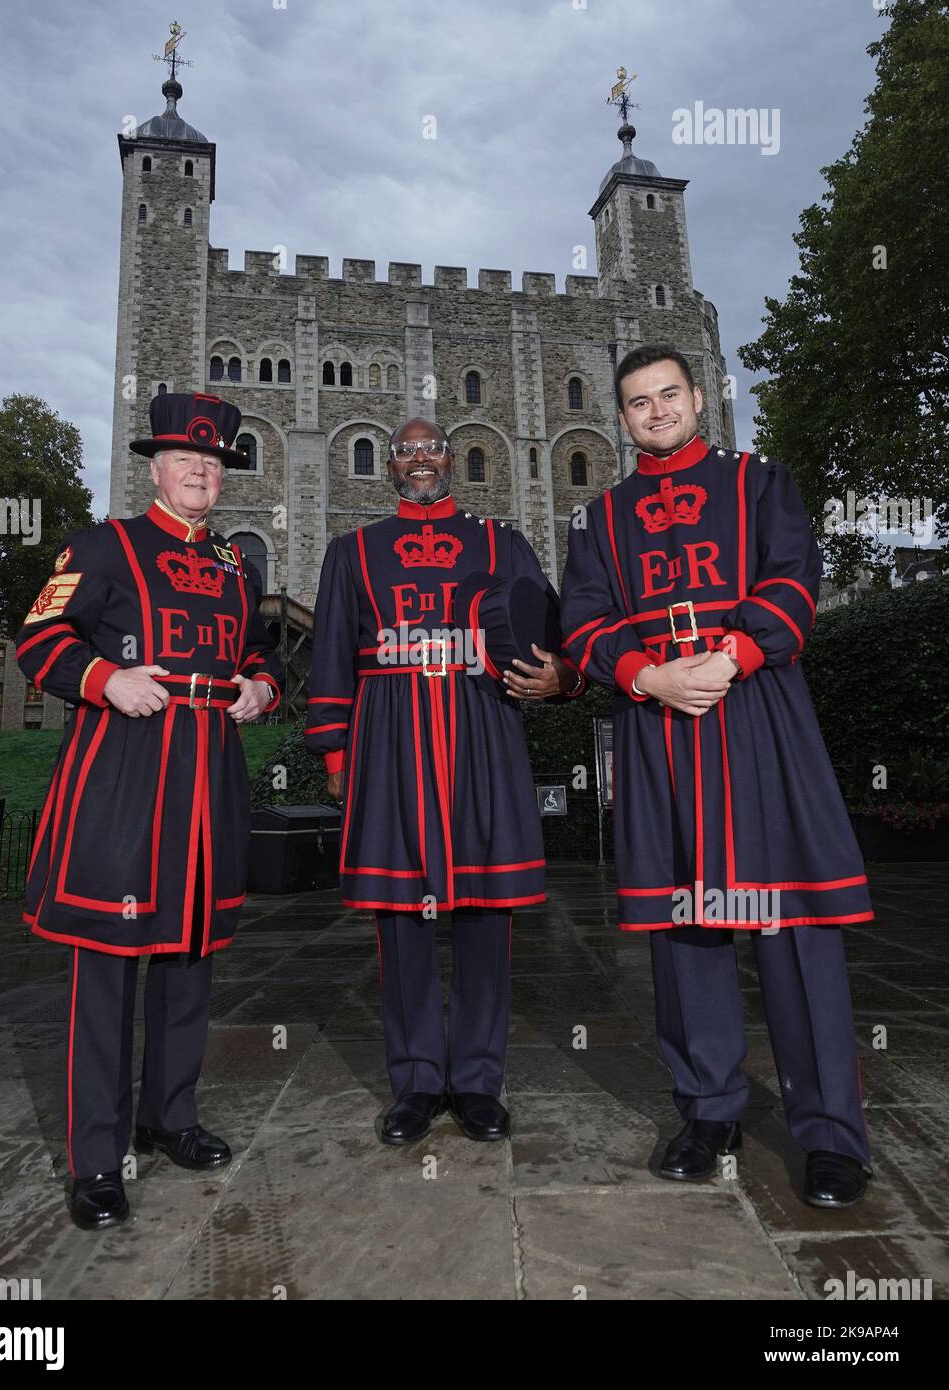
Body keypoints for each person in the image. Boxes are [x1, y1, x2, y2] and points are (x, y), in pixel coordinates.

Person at [560, 345, 873, 1207]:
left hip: (757, 711)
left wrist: (730, 656)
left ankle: (830, 1135)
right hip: (659, 722)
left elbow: (793, 582)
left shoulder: (761, 480)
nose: (656, 411)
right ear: (621, 419)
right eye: (637, 402)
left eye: (669, 395)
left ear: (698, 398)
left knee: (796, 925)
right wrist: (646, 677)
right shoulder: (599, 517)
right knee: (685, 926)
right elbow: (583, 621)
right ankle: (707, 1110)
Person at [17, 391, 282, 1229]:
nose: (202, 472)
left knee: (190, 957)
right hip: (122, 772)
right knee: (105, 968)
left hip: (209, 772)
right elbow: (38, 637)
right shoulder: (102, 546)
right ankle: (97, 1159)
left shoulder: (241, 567)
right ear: (157, 468)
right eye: (188, 460)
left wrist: (262, 685)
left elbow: (258, 646)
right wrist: (103, 679)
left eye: (215, 464)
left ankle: (170, 1116)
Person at [305, 418, 579, 1144]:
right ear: (389, 465)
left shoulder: (502, 542)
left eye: (431, 449)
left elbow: (553, 637)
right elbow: (330, 660)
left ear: (452, 459)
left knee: (489, 910)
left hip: (482, 726)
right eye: (406, 450)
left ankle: (480, 1080)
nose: (419, 460)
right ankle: (418, 1081)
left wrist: (563, 679)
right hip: (389, 738)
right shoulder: (351, 553)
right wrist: (336, 758)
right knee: (402, 919)